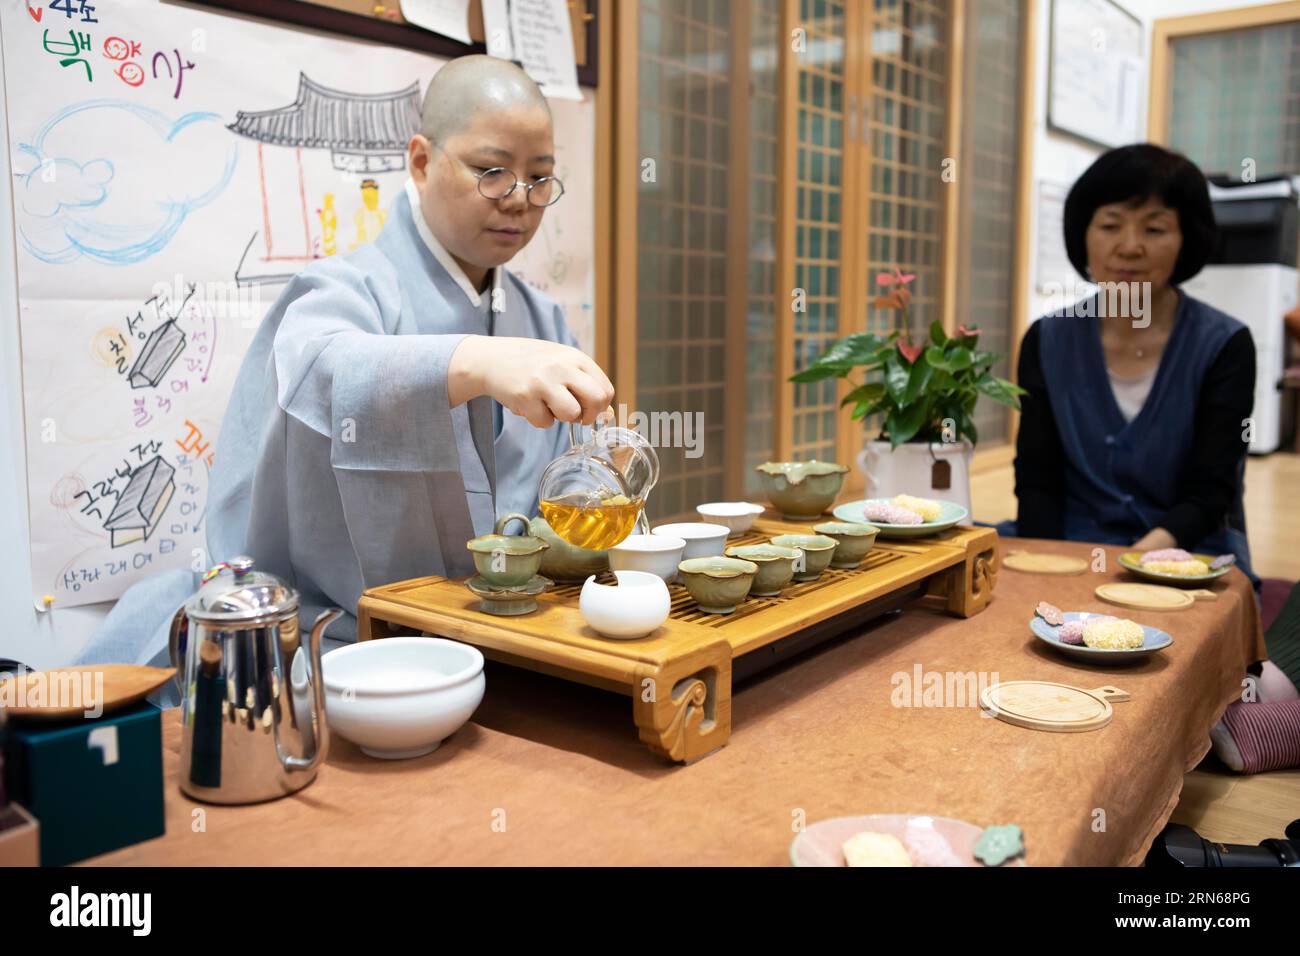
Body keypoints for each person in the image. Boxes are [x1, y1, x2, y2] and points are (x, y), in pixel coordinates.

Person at [77, 55, 614, 672]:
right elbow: (322, 368)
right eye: (491, 171)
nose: (520, 201)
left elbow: (572, 468)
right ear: (420, 161)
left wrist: (589, 506)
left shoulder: (539, 319)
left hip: (510, 636)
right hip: (343, 635)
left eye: (540, 178)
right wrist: (474, 361)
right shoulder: (345, 289)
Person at [1010, 143, 1257, 583]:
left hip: (1186, 553)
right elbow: (1037, 482)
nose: (1129, 247)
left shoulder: (1225, 344)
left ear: (1187, 240)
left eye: (1154, 229)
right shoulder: (1046, 339)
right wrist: (1044, 567)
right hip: (1070, 547)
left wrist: (1134, 565)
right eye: (1109, 225)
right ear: (1082, 234)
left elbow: (1209, 493)